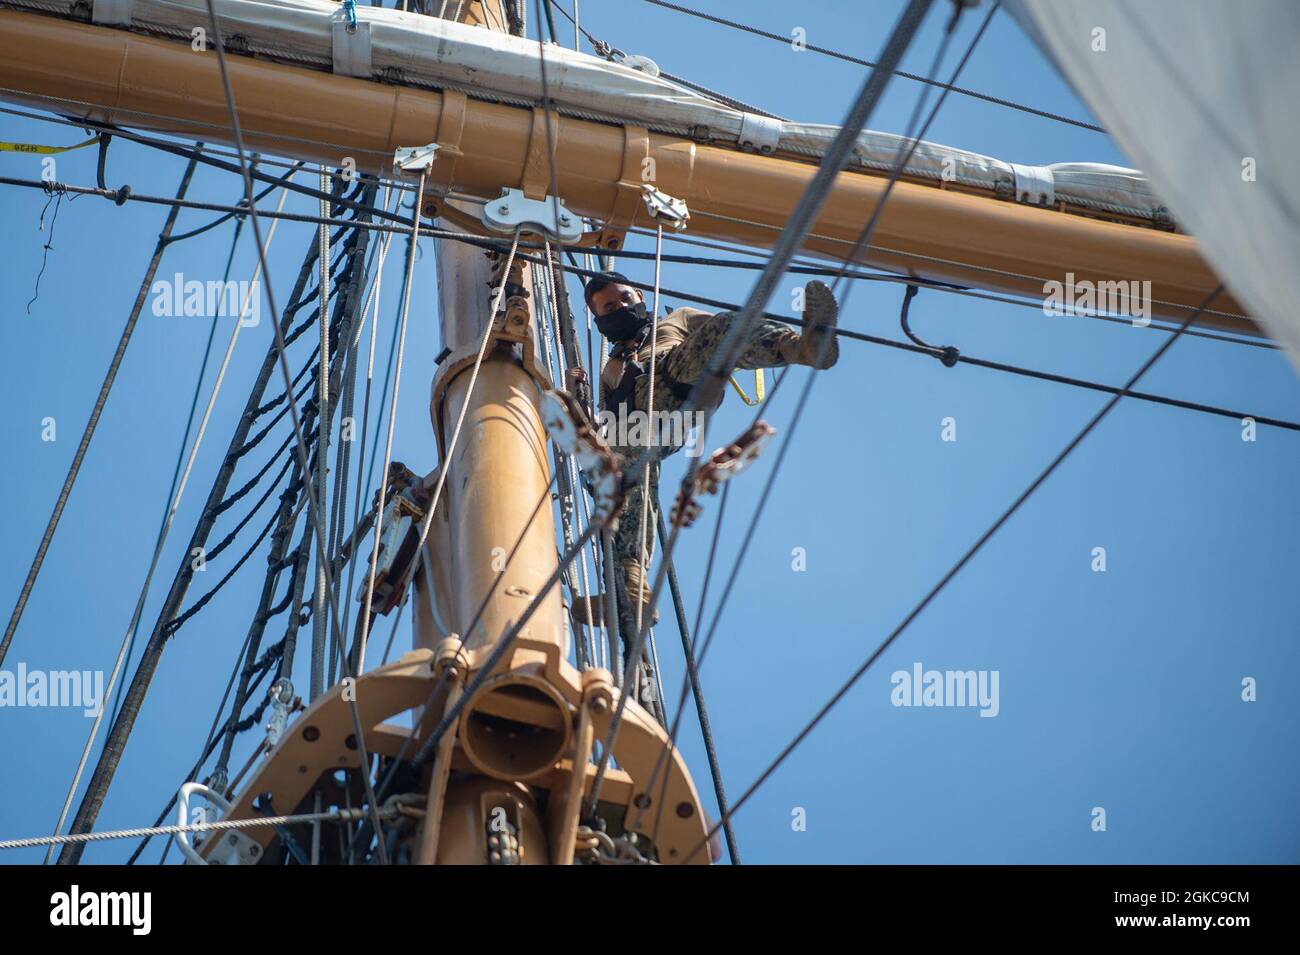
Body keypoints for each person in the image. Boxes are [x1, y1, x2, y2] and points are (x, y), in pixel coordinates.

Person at [571, 272, 840, 646]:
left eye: (625, 299)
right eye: (610, 308)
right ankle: (629, 589)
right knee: (620, 475)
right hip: (637, 427)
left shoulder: (675, 320)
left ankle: (804, 347)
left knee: (722, 330)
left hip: (676, 381)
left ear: (641, 296)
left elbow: (729, 330)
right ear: (600, 320)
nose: (621, 309)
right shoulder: (610, 369)